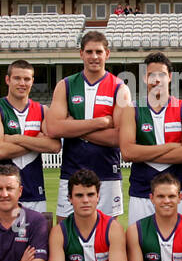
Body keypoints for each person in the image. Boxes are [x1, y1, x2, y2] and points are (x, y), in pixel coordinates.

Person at [48, 31, 130, 218]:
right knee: (65, 231)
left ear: (107, 54)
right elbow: (53, 128)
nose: (94, 57)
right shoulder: (65, 85)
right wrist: (99, 123)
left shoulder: (120, 88)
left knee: (108, 234)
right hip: (72, 170)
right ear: (81, 54)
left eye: (99, 52)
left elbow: (118, 137)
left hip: (107, 172)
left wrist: (73, 128)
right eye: (89, 51)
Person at [119, 51, 182, 223]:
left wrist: (143, 152)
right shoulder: (131, 109)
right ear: (144, 78)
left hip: (176, 194)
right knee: (139, 246)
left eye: (161, 75)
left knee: (179, 248)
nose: (156, 80)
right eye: (151, 75)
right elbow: (127, 152)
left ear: (169, 77)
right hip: (141, 193)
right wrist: (171, 147)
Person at [0, 59, 59, 214]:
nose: (22, 83)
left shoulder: (42, 110)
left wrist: (16, 138)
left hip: (35, 194)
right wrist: (36, 141)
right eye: (17, 78)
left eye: (26, 79)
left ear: (32, 81)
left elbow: (54, 146)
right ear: (7, 80)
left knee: (37, 238)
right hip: (3, 195)